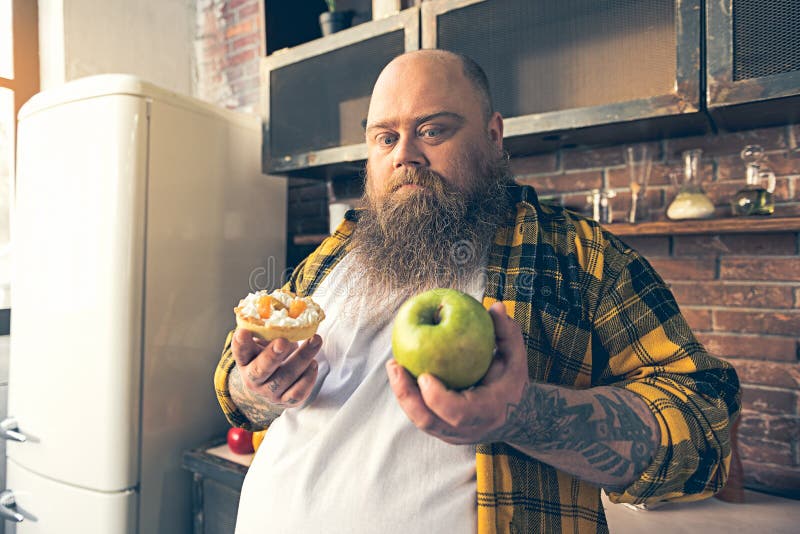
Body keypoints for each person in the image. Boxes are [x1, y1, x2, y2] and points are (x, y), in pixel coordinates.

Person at [214, 50, 741, 534]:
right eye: (384, 137)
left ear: (493, 135)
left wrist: (525, 414)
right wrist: (256, 387)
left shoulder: (582, 258)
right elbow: (237, 392)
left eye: (432, 130)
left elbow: (706, 421)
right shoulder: (335, 252)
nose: (405, 156)